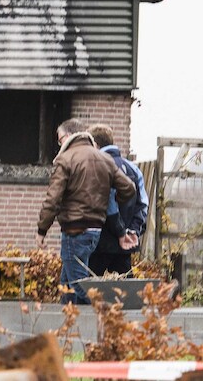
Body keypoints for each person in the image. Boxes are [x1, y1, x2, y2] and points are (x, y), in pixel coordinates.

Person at [37, 118, 137, 304]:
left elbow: (53, 199)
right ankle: (68, 325)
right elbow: (129, 188)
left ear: (67, 136)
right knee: (67, 284)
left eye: (59, 140)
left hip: (74, 230)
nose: (59, 144)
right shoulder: (104, 159)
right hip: (95, 231)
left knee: (80, 287)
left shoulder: (66, 160)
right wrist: (112, 199)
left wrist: (42, 230)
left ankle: (110, 315)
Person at [87, 124, 149, 276]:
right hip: (125, 243)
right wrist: (132, 230)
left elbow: (107, 203)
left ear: (95, 144)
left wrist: (118, 229)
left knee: (90, 291)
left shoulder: (97, 166)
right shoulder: (132, 169)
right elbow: (143, 205)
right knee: (126, 292)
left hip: (100, 242)